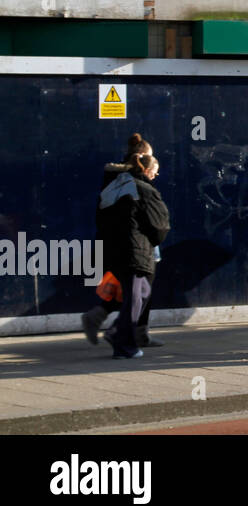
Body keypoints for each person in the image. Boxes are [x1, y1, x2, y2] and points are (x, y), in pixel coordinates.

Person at [83, 134, 163, 348]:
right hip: (136, 241)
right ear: (144, 158)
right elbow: (151, 218)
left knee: (134, 289)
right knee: (138, 289)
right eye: (151, 160)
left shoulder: (116, 177)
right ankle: (126, 333)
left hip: (122, 241)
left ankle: (122, 327)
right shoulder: (132, 181)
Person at [97, 152, 170, 359]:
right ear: (146, 171)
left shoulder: (114, 186)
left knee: (141, 293)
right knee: (136, 298)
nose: (155, 177)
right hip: (136, 250)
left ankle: (117, 334)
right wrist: (153, 240)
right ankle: (124, 346)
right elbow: (160, 225)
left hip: (115, 249)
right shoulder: (145, 190)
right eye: (154, 173)